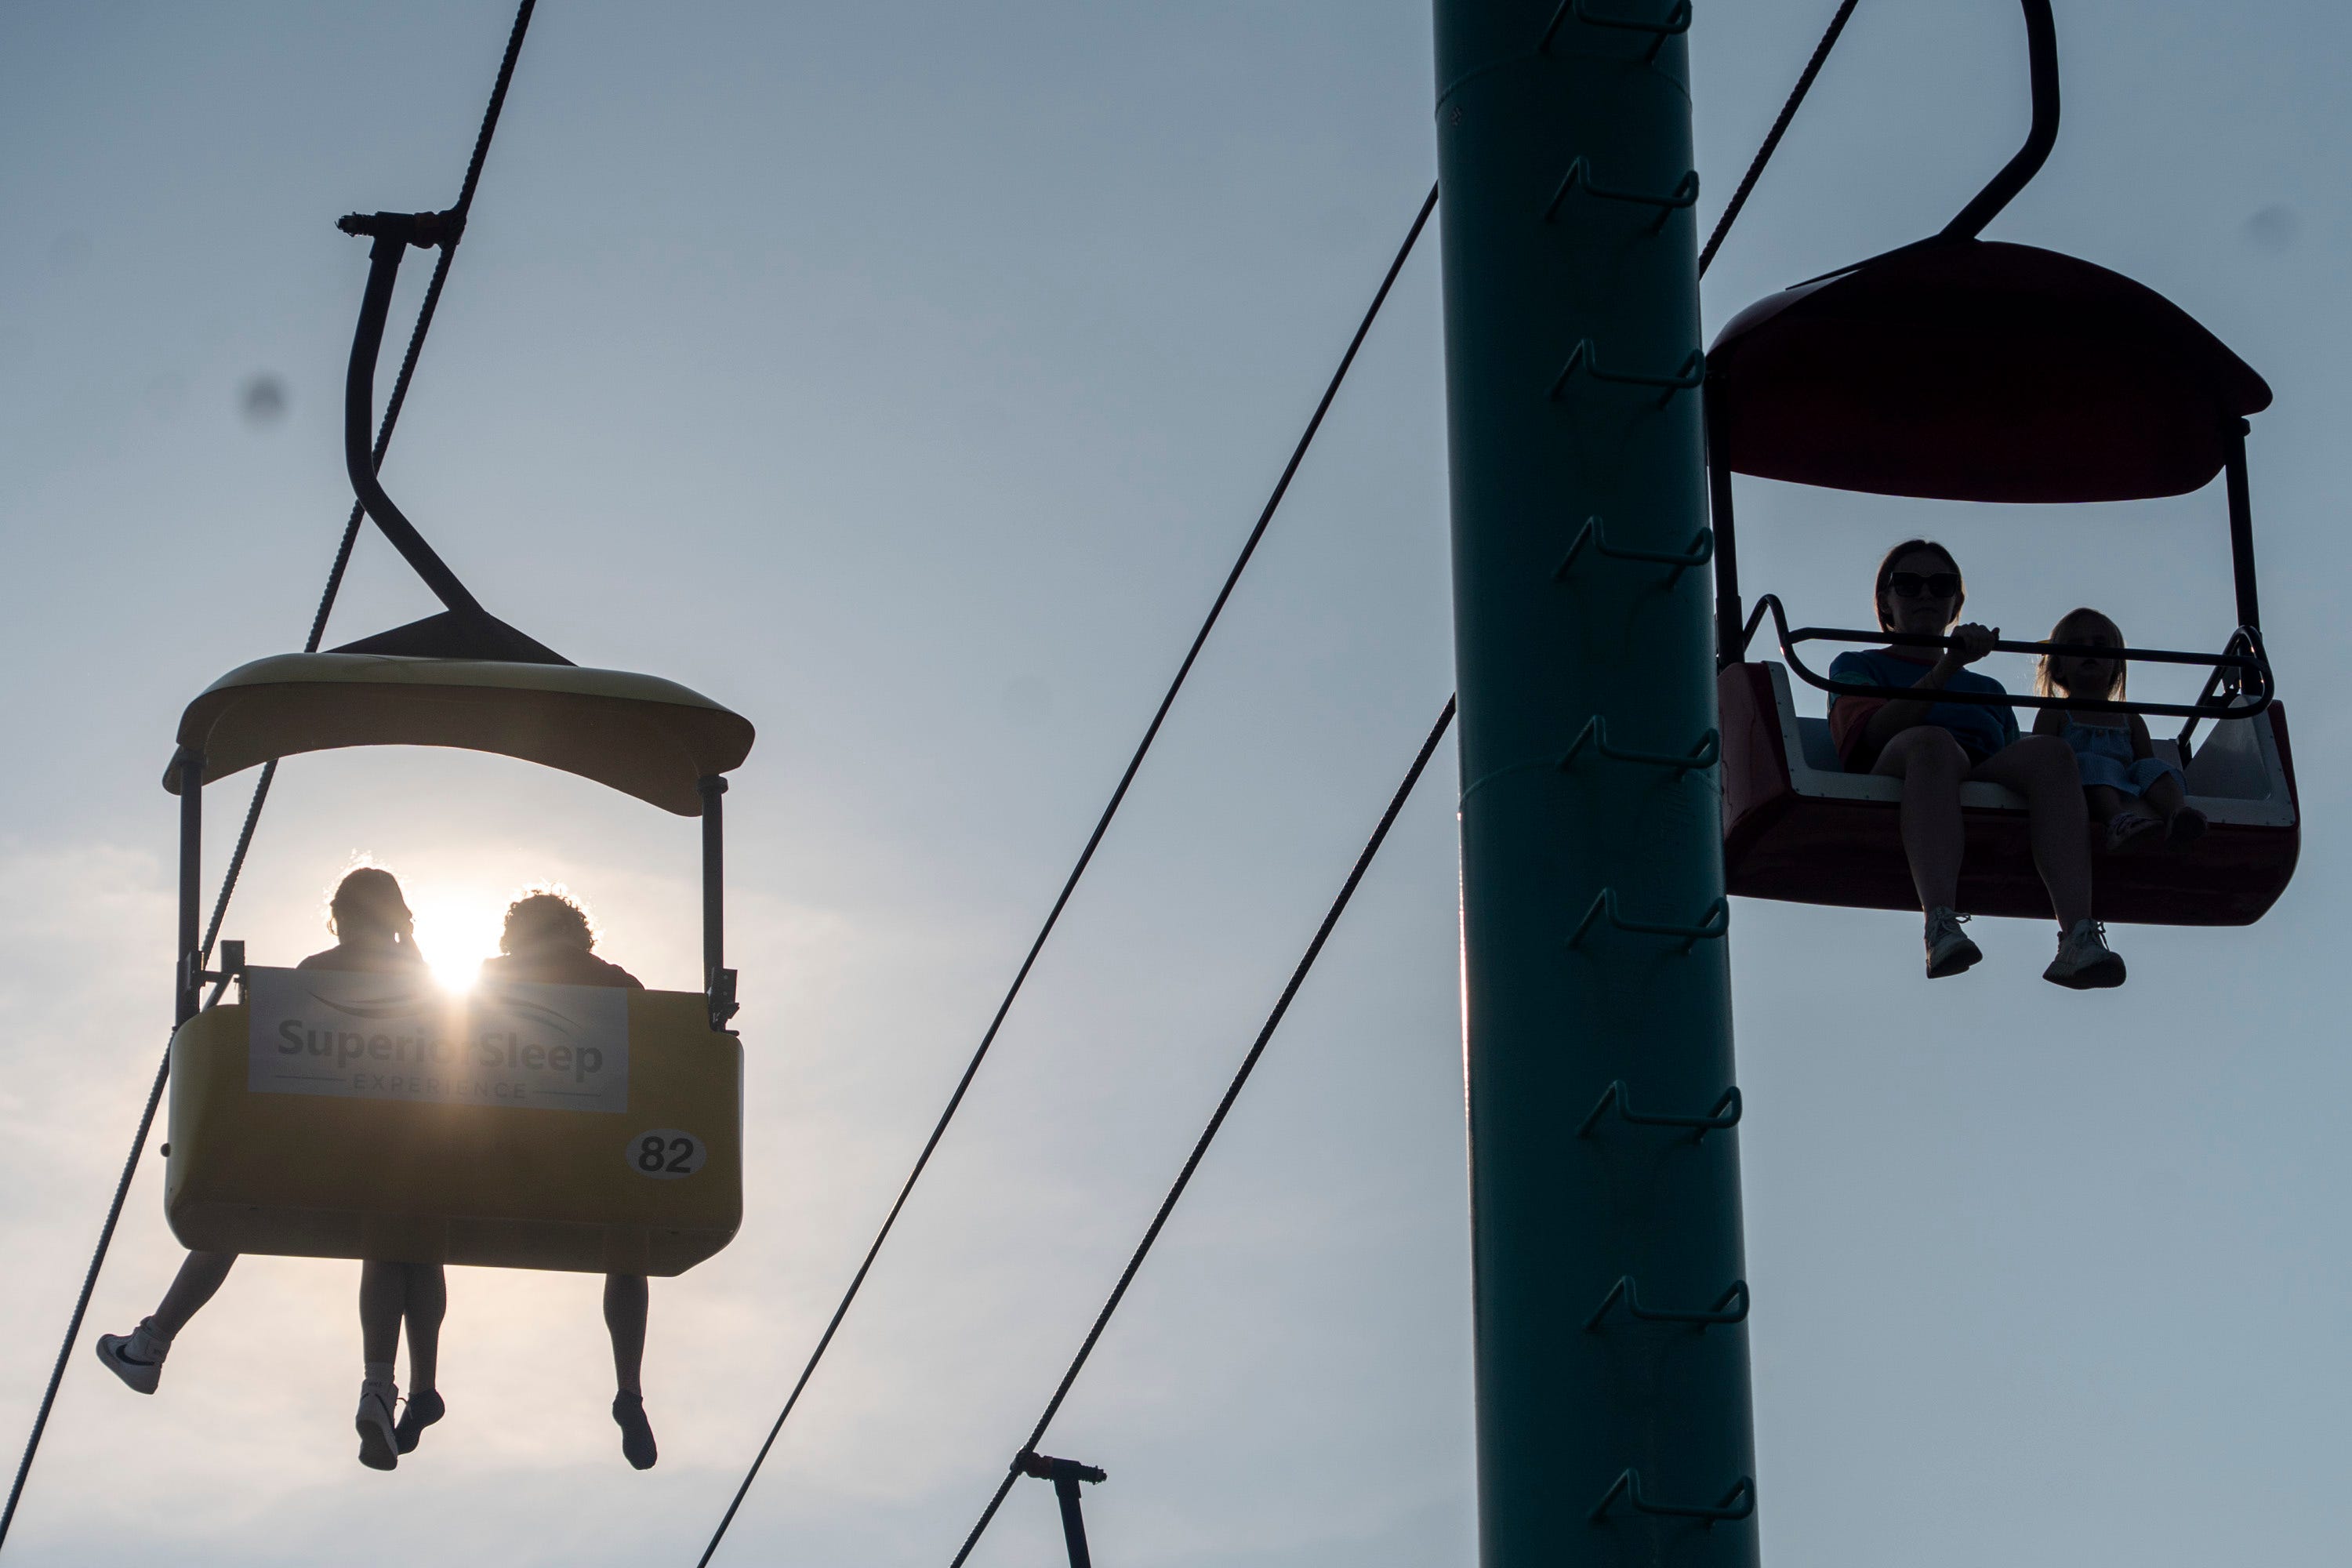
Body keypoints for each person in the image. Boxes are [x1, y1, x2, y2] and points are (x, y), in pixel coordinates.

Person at [94, 866, 449, 1471]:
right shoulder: (428, 984)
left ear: (341, 914)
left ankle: (153, 1343)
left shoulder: (314, 975)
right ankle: (385, 1387)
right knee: (402, 1233)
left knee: (237, 1213)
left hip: (319, 1155)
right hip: (404, 1159)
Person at [1827, 541, 2125, 989]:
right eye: (1908, 585)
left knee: (2050, 753)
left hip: (1972, 772)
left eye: (1940, 585)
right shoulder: (1856, 664)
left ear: (1955, 603)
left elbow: (2009, 755)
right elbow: (1871, 736)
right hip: (1899, 765)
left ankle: (2077, 935)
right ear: (1886, 602)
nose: (1925, 595)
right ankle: (1940, 924)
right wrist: (1947, 669)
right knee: (1934, 745)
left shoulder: (1988, 688)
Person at [476, 889, 659, 1469]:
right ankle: (628, 1387)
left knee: (411, 1230)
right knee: (627, 1253)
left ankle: (409, 1382)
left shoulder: (490, 980)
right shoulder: (619, 986)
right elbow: (653, 1055)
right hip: (598, 1151)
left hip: (511, 1149)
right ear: (577, 932)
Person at [2032, 607, 2208, 852]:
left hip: (2125, 783)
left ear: (2115, 664)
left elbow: (2143, 762)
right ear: (2059, 667)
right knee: (2092, 764)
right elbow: (2041, 757)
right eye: (2077, 644)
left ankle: (2177, 813)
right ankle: (2117, 819)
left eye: (2100, 644)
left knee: (2153, 767)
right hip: (2083, 785)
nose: (2090, 649)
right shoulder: (2055, 714)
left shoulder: (2130, 719)